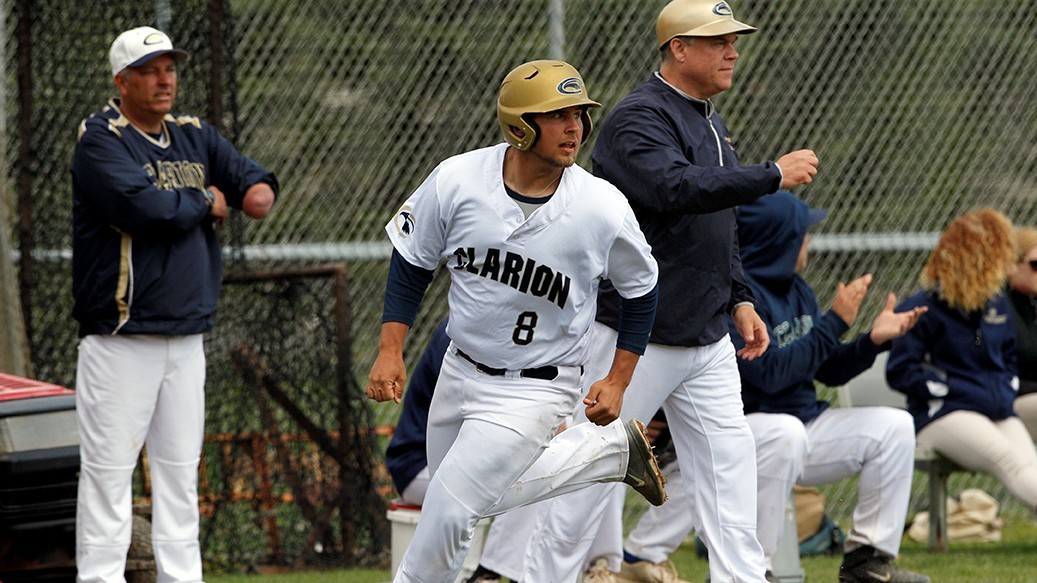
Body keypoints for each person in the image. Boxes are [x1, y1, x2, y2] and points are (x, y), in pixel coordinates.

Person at [521, 1, 819, 581]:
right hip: (636, 337)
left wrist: (739, 296)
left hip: (706, 339)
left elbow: (718, 219)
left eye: (733, 39)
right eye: (717, 41)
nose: (732, 50)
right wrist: (771, 175)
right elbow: (675, 188)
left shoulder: (710, 118)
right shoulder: (639, 117)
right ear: (678, 48)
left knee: (730, 484)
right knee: (583, 484)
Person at [365, 59, 665, 583]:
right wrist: (391, 349)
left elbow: (642, 290)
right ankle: (609, 453)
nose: (575, 127)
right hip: (458, 372)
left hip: (535, 389)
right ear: (519, 123)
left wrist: (619, 380)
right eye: (558, 115)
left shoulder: (599, 206)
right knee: (453, 504)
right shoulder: (458, 179)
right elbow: (413, 259)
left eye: (580, 114)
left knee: (451, 511)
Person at [71, 26, 278, 583]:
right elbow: (144, 210)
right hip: (121, 338)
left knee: (180, 477)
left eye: (170, 68)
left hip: (186, 337)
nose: (165, 80)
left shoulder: (193, 134)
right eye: (150, 70)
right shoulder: (101, 138)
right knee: (109, 478)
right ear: (122, 81)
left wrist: (255, 190)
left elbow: (248, 178)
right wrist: (204, 200)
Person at [732, 191, 929, 583]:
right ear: (781, 237)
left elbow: (827, 369)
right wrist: (834, 322)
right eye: (803, 232)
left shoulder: (798, 289)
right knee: (785, 433)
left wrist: (871, 340)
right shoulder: (740, 298)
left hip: (804, 427)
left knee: (894, 427)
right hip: (753, 433)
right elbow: (768, 374)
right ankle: (753, 571)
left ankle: (866, 564)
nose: (808, 240)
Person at [887, 209, 1037, 519]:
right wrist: (951, 390)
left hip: (994, 409)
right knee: (1009, 460)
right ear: (975, 261)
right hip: (942, 414)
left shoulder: (995, 305)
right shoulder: (922, 308)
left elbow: (1007, 360)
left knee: (1029, 461)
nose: (1008, 268)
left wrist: (1002, 390)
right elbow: (901, 371)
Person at [1006, 226, 1037, 440]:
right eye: (1036, 265)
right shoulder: (995, 309)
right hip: (1010, 402)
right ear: (1013, 266)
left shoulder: (1033, 306)